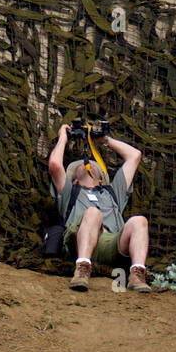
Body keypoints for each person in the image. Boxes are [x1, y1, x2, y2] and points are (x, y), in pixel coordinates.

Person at [48, 123, 151, 292]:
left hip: (109, 243)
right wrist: (63, 137)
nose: (88, 164)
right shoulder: (70, 192)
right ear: (74, 179)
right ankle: (82, 269)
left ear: (102, 180)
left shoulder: (112, 192)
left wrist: (104, 140)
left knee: (139, 221)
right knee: (93, 213)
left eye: (93, 164)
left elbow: (135, 156)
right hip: (77, 240)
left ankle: (137, 274)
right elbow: (55, 165)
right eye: (79, 166)